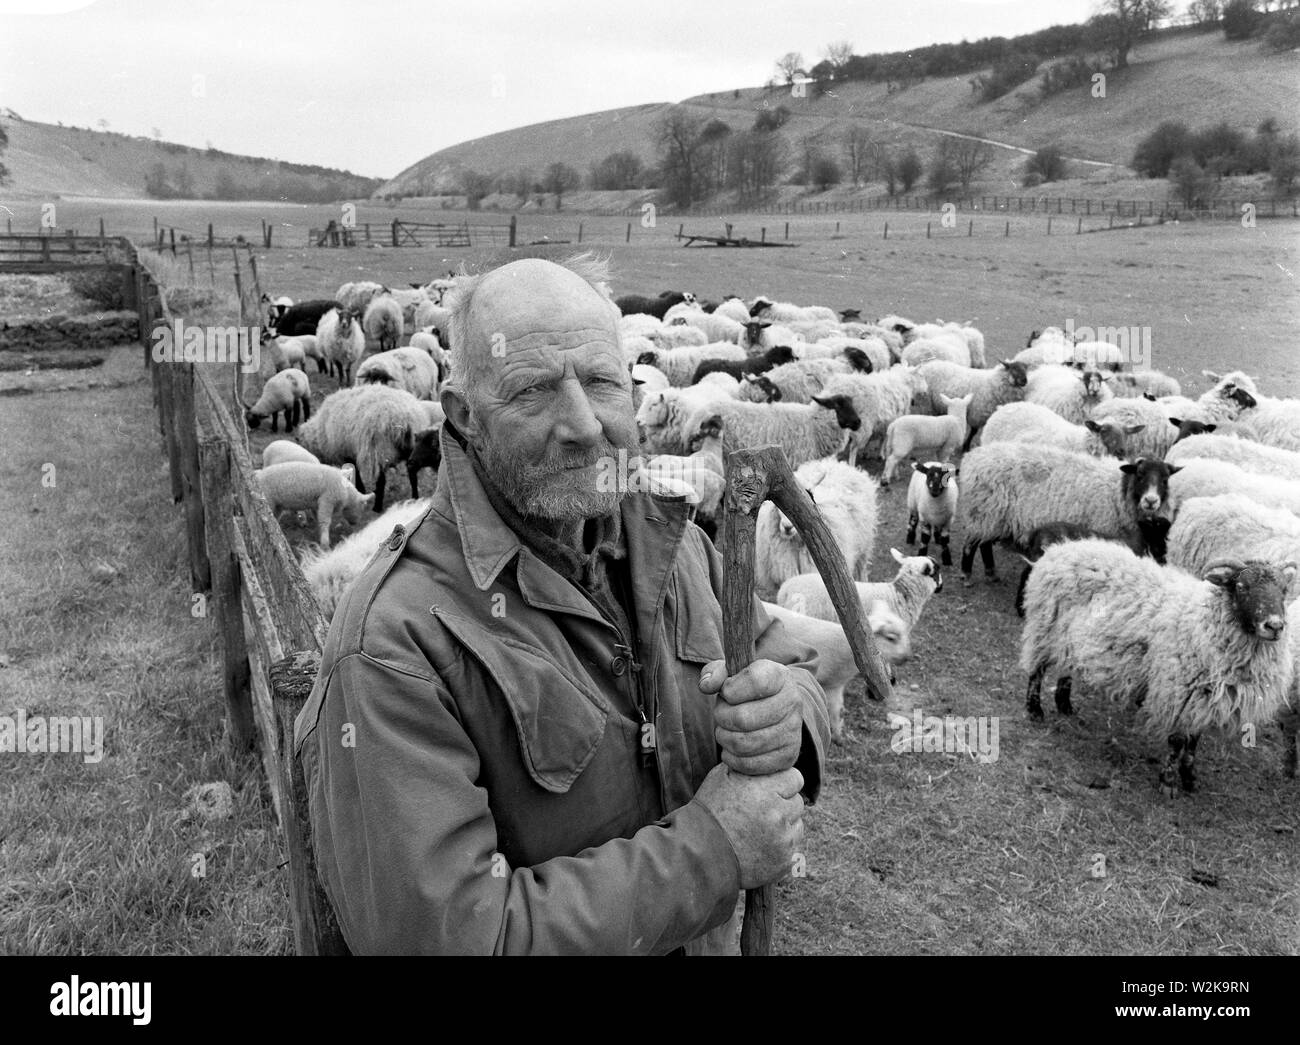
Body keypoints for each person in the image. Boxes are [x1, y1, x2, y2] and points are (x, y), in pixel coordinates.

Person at [295, 255, 830, 954]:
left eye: (603, 381)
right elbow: (451, 939)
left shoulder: (677, 550)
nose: (582, 423)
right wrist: (713, 851)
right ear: (463, 414)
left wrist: (790, 720)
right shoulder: (396, 646)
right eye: (533, 391)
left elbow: (794, 669)